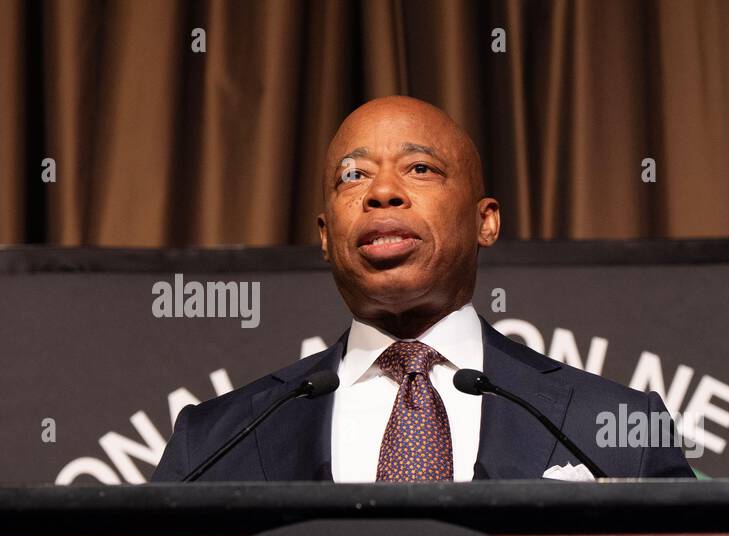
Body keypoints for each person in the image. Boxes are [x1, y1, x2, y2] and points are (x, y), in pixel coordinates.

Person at [153, 96, 692, 482]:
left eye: (419, 168)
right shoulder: (213, 442)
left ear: (486, 221)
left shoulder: (619, 430)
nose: (382, 192)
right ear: (324, 235)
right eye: (353, 176)